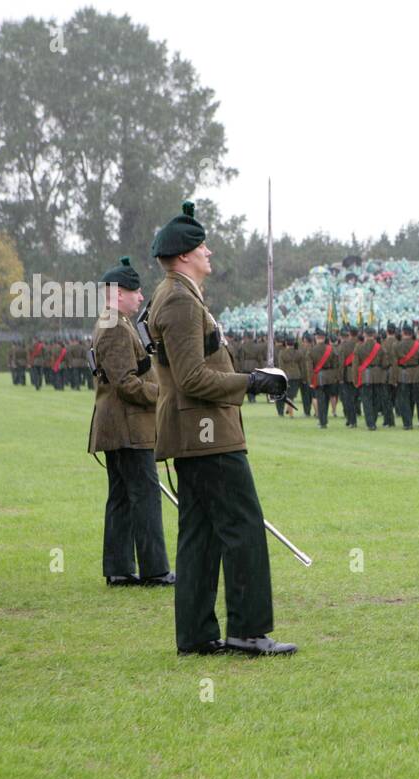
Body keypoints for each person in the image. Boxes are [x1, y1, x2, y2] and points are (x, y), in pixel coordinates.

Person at [146, 201, 295, 655]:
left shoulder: (179, 295)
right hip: (205, 434)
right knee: (243, 526)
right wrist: (252, 381)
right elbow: (191, 378)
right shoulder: (179, 300)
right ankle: (248, 631)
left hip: (197, 432)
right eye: (202, 245)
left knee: (201, 534)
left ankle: (196, 634)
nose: (209, 251)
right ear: (185, 254)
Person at [89, 256, 173, 588]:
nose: (140, 297)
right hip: (127, 427)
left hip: (121, 426)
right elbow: (125, 382)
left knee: (123, 497)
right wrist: (161, 395)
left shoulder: (114, 322)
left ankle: (120, 568)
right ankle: (155, 570)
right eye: (135, 291)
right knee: (145, 496)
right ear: (119, 292)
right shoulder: (114, 325)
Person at [307, 326, 341, 429]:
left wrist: (311, 381)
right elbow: (336, 365)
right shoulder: (331, 349)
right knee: (326, 400)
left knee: (321, 399)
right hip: (330, 377)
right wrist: (335, 377)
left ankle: (322, 421)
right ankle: (324, 420)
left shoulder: (311, 351)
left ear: (316, 338)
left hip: (318, 377)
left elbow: (309, 368)